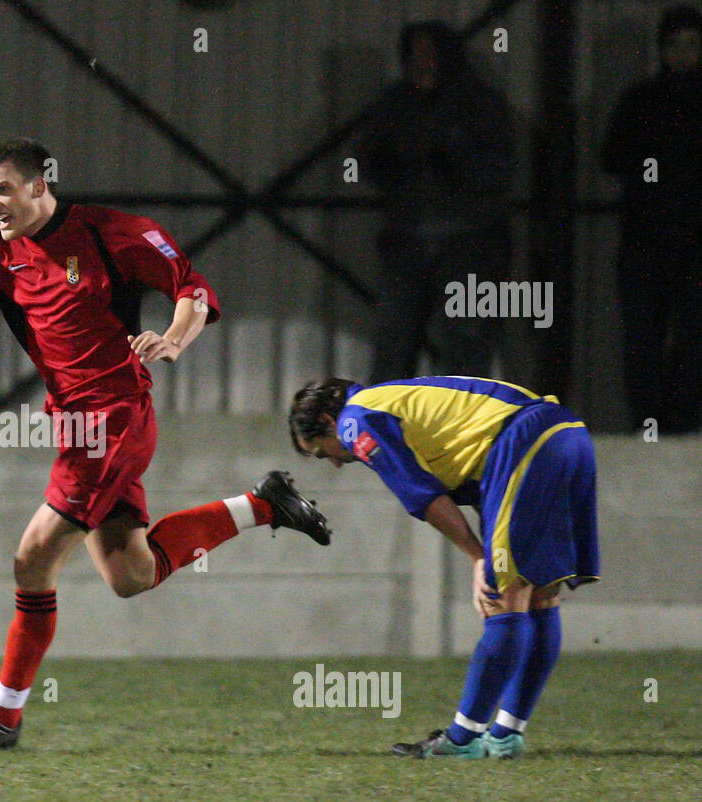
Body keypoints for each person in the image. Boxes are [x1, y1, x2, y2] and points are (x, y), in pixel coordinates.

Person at [0, 138, 331, 750]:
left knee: (33, 556)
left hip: (114, 421)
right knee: (130, 574)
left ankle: (2, 716)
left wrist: (175, 339)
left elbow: (191, 288)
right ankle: (263, 504)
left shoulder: (111, 234)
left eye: (4, 190)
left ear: (40, 185)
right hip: (74, 428)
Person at [289, 376, 599, 759]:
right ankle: (505, 736)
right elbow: (474, 460)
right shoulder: (394, 398)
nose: (337, 462)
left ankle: (463, 739)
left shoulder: (356, 422)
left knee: (503, 595)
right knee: (540, 594)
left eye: (323, 452)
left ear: (327, 419)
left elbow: (425, 497)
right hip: (567, 434)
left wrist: (478, 556)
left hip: (525, 443)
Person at [355, 20, 515, 383]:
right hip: (407, 239)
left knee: (466, 341)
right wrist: (397, 161)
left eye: (430, 53)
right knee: (395, 342)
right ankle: (386, 429)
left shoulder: (479, 103)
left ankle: (458, 429)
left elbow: (501, 170)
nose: (422, 62)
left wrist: (454, 158)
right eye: (415, 54)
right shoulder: (396, 104)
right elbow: (368, 161)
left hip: (471, 241)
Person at [601, 3, 702, 434]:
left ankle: (674, 428)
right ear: (661, 49)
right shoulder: (640, 101)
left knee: (691, 344)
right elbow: (611, 157)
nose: (682, 55)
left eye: (692, 46)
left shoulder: (643, 100)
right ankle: (652, 427)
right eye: (675, 45)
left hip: (690, 243)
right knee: (644, 342)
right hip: (647, 242)